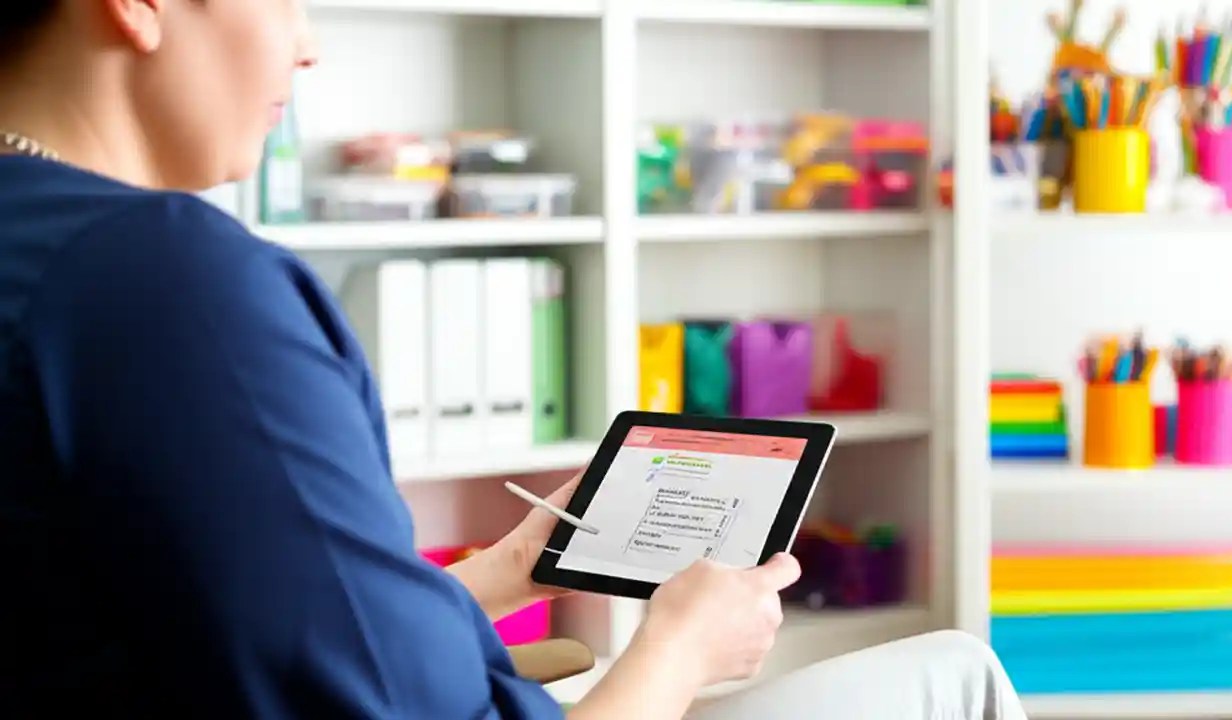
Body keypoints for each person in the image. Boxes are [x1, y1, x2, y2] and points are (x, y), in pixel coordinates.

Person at [0, 2, 1028, 718]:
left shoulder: (47, 250)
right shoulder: (167, 277)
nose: (306, 46)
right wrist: (678, 649)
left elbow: (245, 634)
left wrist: (498, 573)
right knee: (956, 676)